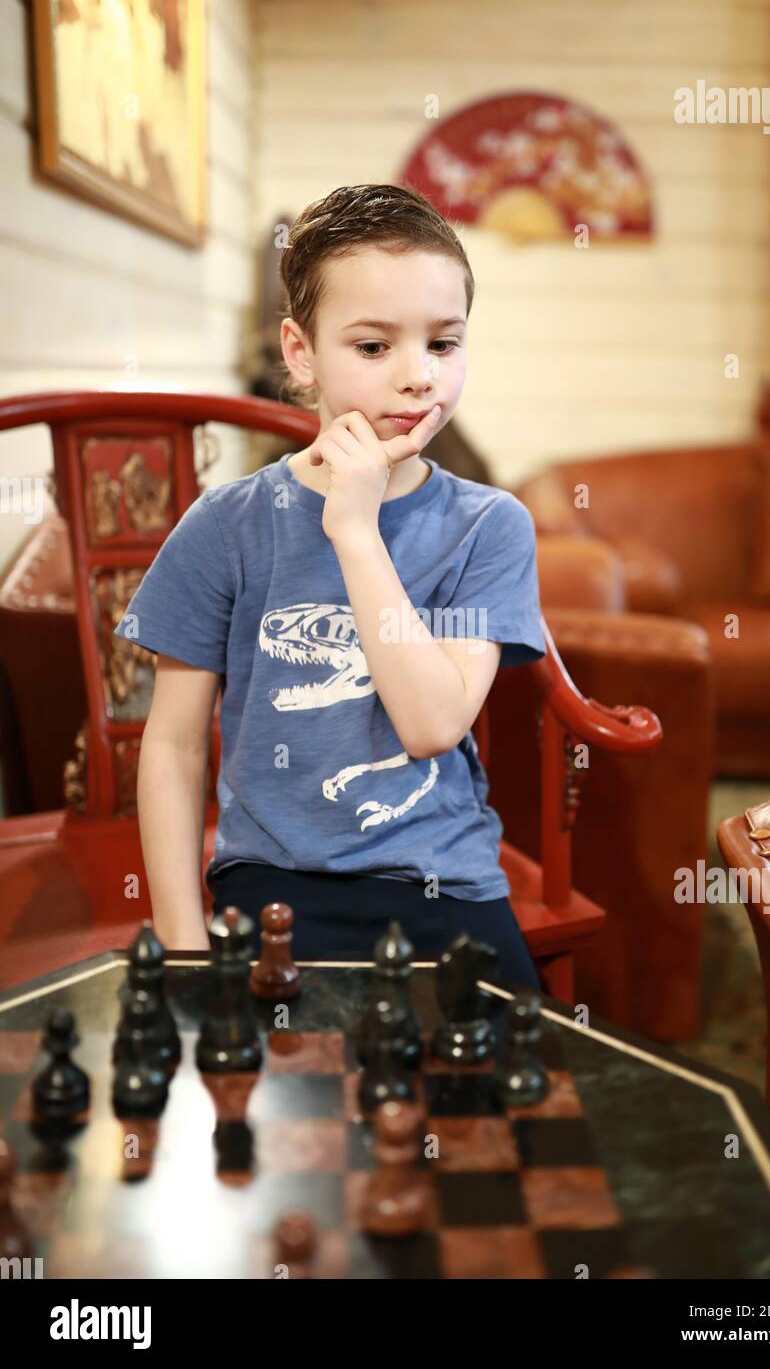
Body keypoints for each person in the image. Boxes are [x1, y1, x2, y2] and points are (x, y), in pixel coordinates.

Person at [114, 183, 546, 990]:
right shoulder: (228, 525)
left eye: (443, 344)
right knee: (280, 1100)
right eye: (375, 347)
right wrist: (181, 944)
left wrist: (355, 529)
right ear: (301, 352)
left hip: (441, 876)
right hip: (275, 882)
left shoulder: (491, 525)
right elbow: (171, 746)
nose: (419, 378)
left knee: (515, 1102)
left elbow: (430, 724)